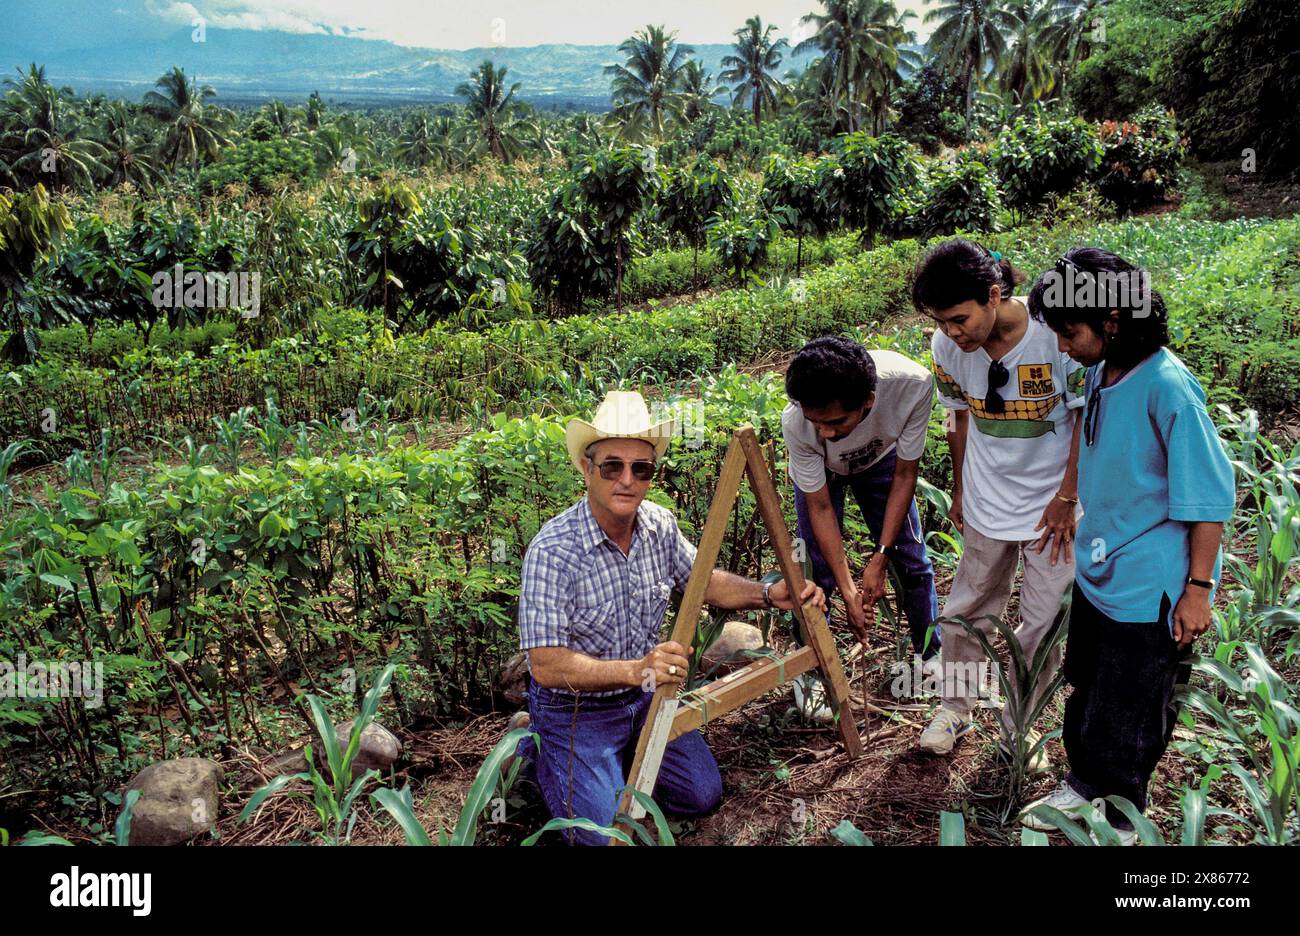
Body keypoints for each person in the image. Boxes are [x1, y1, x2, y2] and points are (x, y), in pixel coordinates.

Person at [517, 390, 824, 845]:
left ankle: (602, 767)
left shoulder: (658, 525)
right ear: (586, 468)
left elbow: (702, 580)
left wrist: (766, 593)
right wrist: (637, 669)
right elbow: (545, 664)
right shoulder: (553, 551)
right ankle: (541, 754)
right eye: (612, 466)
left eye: (640, 468)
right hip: (576, 709)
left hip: (644, 698)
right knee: (600, 836)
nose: (627, 480)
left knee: (701, 795)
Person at [1018, 248, 1235, 843]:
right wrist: (1066, 498)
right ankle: (1084, 784)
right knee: (1088, 685)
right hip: (1100, 570)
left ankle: (1120, 815)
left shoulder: (1167, 387)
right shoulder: (1102, 370)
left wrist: (1197, 590)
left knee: (1134, 707)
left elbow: (1208, 501)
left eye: (1070, 332)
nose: (1063, 346)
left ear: (1112, 319)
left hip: (1150, 584)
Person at [910, 239, 1084, 770]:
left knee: (1044, 620)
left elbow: (1080, 419)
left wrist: (1066, 497)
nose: (951, 333)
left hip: (1051, 510)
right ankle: (955, 707)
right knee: (967, 611)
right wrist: (962, 486)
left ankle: (1021, 725)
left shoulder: (1054, 338)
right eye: (941, 322)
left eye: (959, 319)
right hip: (988, 498)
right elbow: (959, 416)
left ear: (994, 295)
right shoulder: (949, 350)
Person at [783, 336, 940, 671]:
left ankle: (929, 655)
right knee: (813, 572)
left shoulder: (912, 386)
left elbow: (904, 475)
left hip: (882, 459)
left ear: (868, 401)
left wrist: (880, 556)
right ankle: (814, 671)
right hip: (822, 471)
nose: (825, 432)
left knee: (910, 557)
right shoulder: (796, 422)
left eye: (837, 422)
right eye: (817, 422)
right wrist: (849, 590)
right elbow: (821, 507)